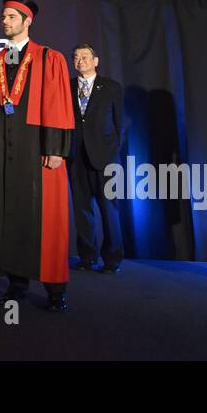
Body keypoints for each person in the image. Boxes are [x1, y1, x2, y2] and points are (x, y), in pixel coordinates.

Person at [0, 0, 74, 312]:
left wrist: (55, 148)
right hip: (3, 147)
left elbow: (58, 103)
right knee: (8, 212)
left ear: (28, 21)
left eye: (12, 17)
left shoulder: (48, 58)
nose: (5, 21)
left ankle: (55, 289)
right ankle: (16, 284)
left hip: (37, 148)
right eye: (3, 16)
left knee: (44, 217)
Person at [67, 44, 125, 273]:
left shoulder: (111, 87)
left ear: (96, 60)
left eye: (85, 57)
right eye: (76, 58)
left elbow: (120, 123)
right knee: (82, 210)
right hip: (76, 157)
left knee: (109, 211)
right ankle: (87, 257)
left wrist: (113, 153)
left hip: (105, 158)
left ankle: (112, 259)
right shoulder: (68, 87)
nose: (80, 61)